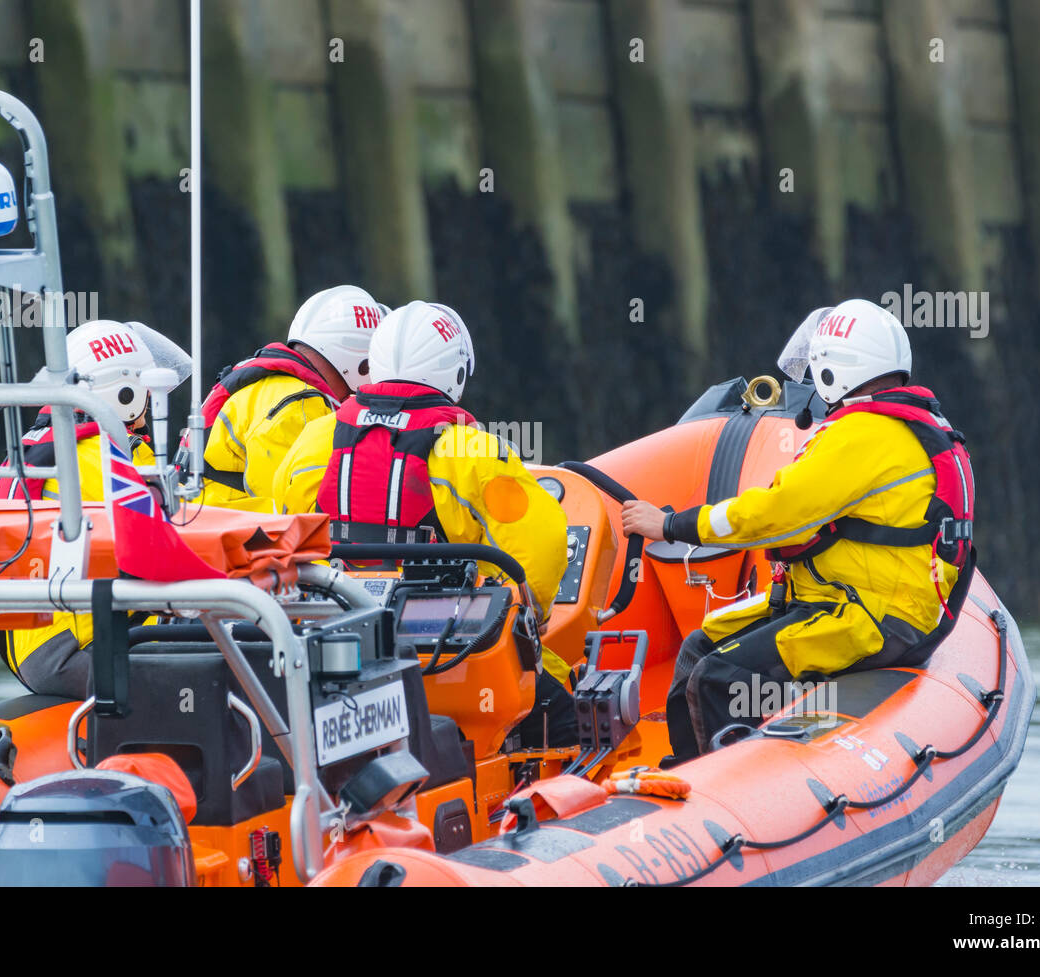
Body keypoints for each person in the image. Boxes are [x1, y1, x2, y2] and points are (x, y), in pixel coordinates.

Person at [622, 299, 975, 761]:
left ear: (836, 370)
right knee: (698, 649)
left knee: (719, 676)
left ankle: (720, 788)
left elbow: (776, 513)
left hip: (875, 617)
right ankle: (687, 768)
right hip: (854, 600)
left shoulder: (862, 435)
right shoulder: (909, 426)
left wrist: (671, 524)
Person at [273, 300, 579, 745]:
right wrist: (527, 616)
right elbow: (542, 541)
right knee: (566, 719)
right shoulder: (471, 451)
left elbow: (283, 519)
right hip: (444, 647)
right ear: (453, 374)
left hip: (331, 641)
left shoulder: (315, 439)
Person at [0, 318, 183, 698]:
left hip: (37, 647)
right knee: (221, 661)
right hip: (72, 650)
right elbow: (175, 537)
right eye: (145, 388)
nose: (149, 400)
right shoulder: (104, 455)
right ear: (123, 390)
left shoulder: (43, 447)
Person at [193, 284, 384, 505]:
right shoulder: (300, 405)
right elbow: (289, 506)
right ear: (360, 362)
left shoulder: (271, 384)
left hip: (208, 523)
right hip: (236, 533)